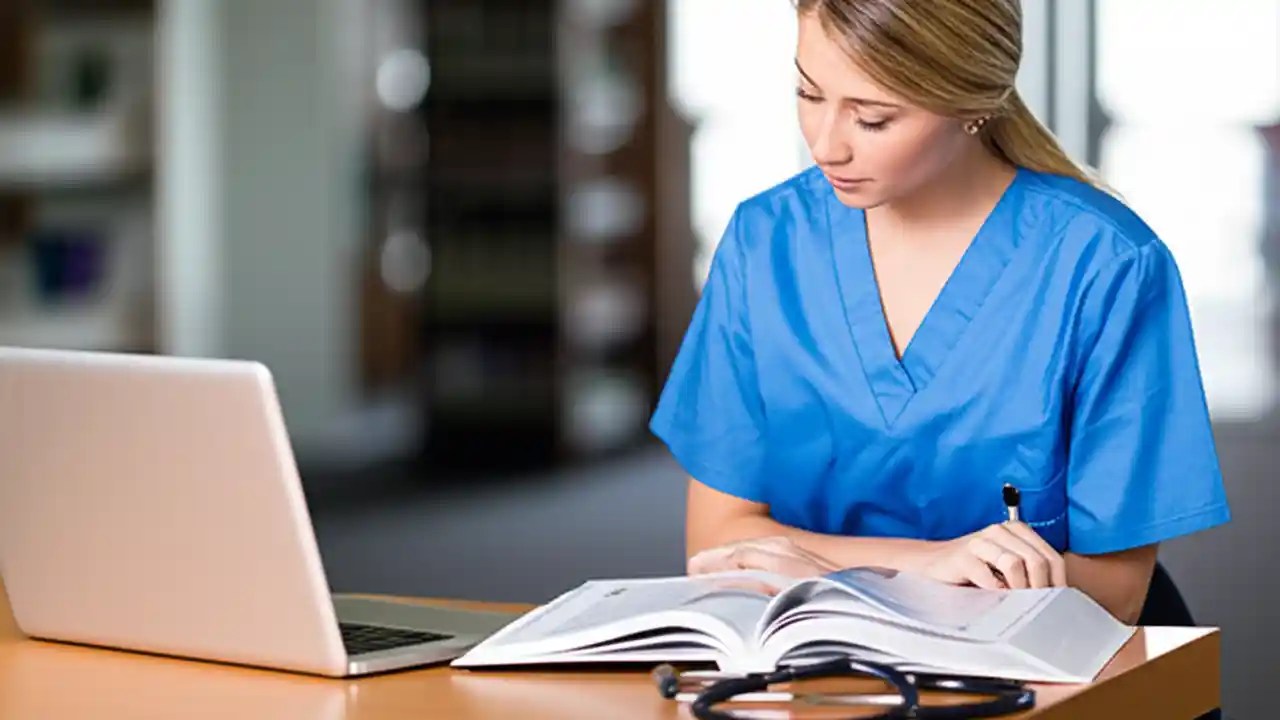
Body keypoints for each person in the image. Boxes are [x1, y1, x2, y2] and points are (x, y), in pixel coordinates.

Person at [649, 0, 1232, 626]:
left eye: (873, 119)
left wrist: (824, 566)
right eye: (809, 94)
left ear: (972, 104)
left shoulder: (1106, 263)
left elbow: (1114, 590)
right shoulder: (765, 241)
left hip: (1061, 668)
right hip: (825, 655)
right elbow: (716, 542)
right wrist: (928, 565)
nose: (824, 145)